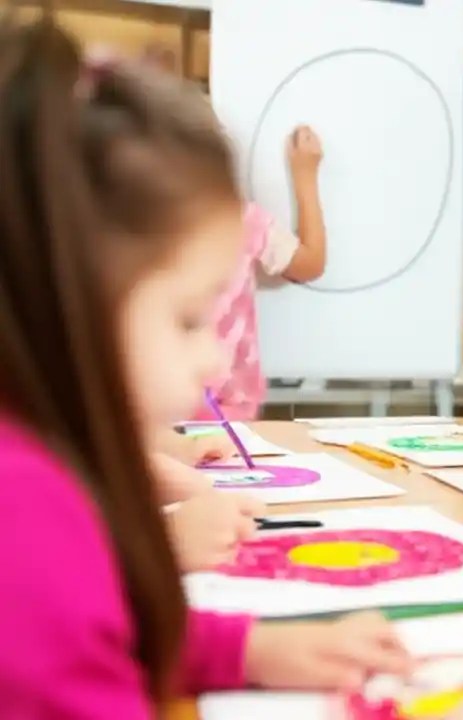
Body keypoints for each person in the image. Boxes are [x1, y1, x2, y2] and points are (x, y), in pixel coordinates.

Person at [0, 17, 407, 715]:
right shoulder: (25, 507)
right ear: (61, 291)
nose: (215, 354)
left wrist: (248, 649)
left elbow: (105, 625)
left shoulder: (49, 452)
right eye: (188, 318)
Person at [189, 123, 328, 423]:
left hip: (163, 406)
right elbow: (311, 263)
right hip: (228, 405)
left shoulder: (134, 230)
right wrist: (305, 176)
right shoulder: (242, 218)